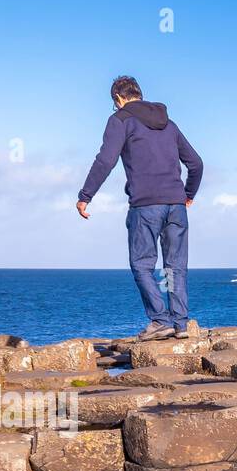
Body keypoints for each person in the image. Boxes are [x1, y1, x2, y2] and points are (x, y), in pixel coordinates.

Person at [77, 76, 203, 338]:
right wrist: (187, 195)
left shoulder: (120, 120)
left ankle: (160, 320)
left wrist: (85, 195)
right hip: (176, 206)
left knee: (143, 265)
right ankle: (180, 325)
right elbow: (196, 163)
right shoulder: (169, 124)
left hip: (146, 206)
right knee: (174, 266)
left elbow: (105, 161)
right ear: (139, 94)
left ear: (118, 99)